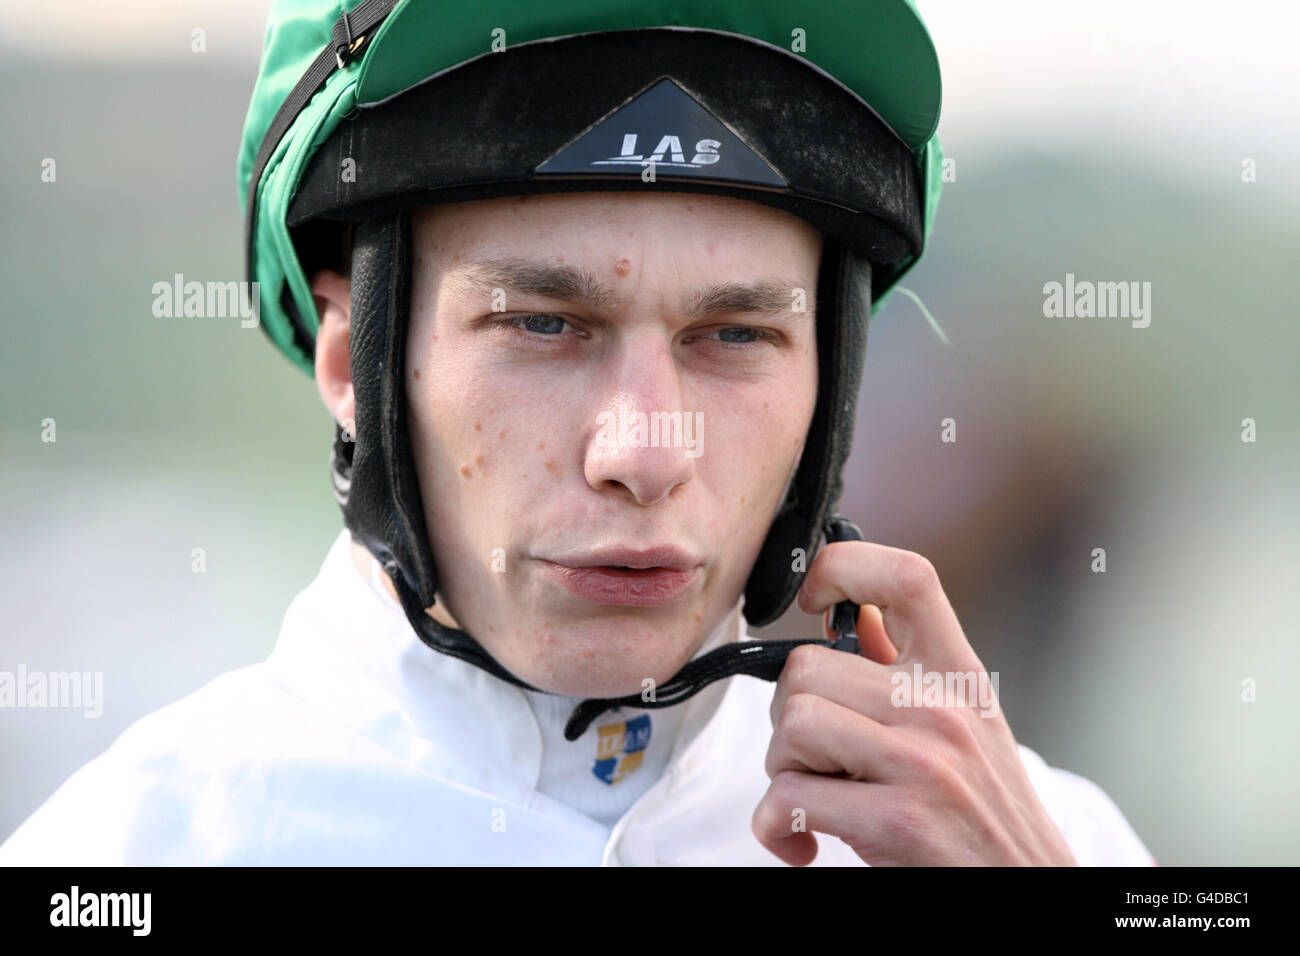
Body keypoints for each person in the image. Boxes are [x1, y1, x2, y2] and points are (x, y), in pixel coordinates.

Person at [0, 0, 1153, 866]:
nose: (644, 452)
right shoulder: (118, 852)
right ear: (354, 366)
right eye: (543, 322)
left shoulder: (1049, 839)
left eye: (735, 335)